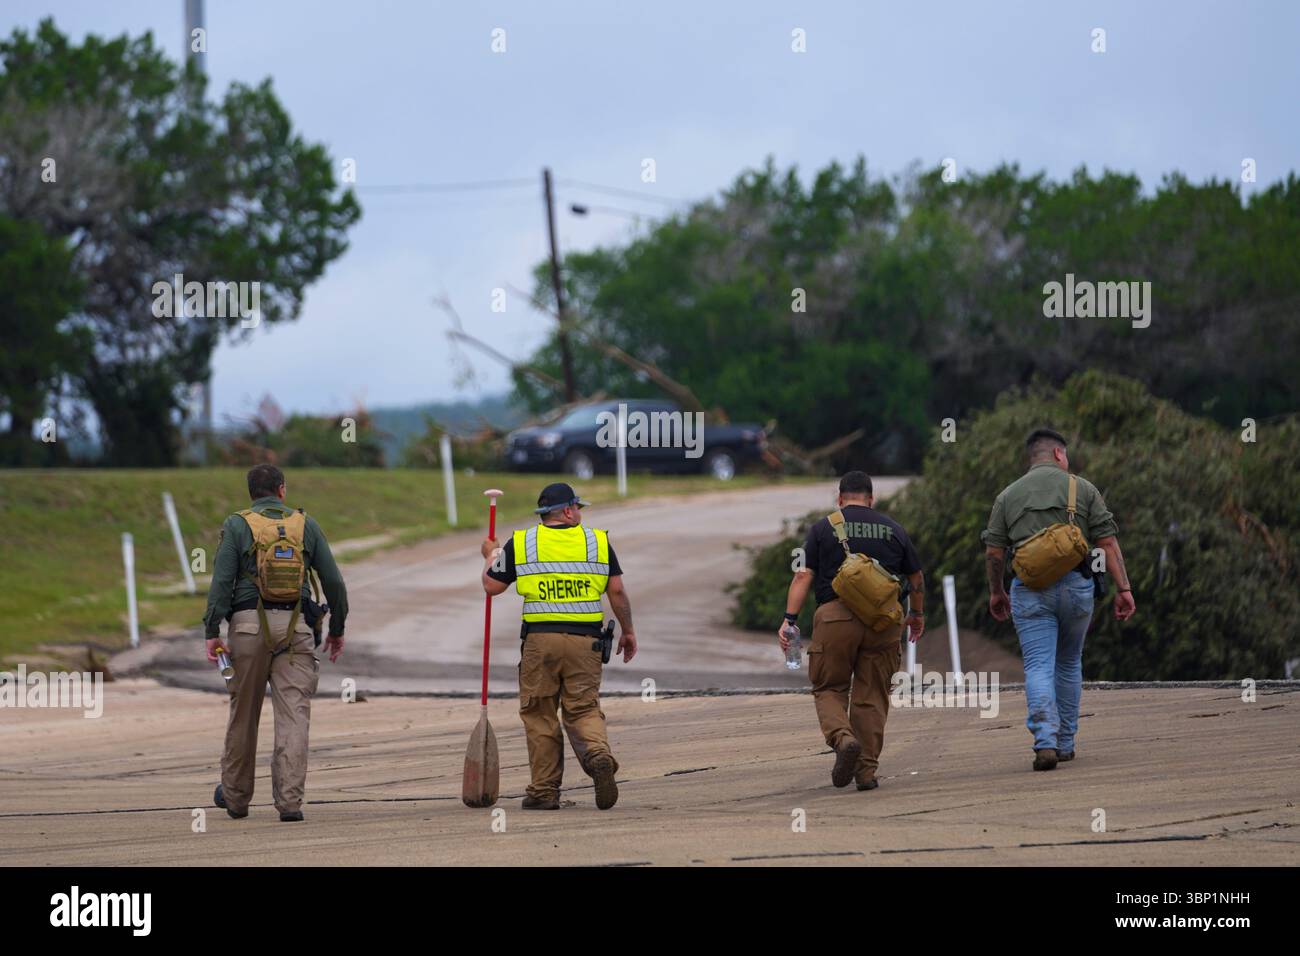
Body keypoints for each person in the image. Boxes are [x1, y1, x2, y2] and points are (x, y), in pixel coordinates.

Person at [982, 428, 1135, 771]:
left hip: (1030, 589)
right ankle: (1066, 743)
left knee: (1038, 665)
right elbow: (1107, 544)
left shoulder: (1008, 496)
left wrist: (997, 591)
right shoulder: (1082, 488)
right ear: (1058, 455)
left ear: (1032, 457)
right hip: (1077, 588)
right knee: (1068, 664)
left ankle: (1044, 741)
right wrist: (1123, 589)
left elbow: (994, 552)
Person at [203, 464, 348, 821]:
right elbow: (334, 583)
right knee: (294, 717)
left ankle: (236, 799)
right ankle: (290, 803)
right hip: (297, 628)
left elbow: (222, 582)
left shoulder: (238, 524)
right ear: (282, 490)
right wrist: (338, 628)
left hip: (249, 627)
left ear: (251, 492)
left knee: (243, 716)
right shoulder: (305, 525)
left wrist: (211, 630)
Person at [481, 482, 636, 811]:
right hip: (587, 642)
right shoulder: (597, 541)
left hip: (541, 642)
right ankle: (597, 755)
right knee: (583, 709)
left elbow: (491, 586)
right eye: (578, 507)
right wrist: (628, 630)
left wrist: (491, 554)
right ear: (567, 510)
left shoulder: (521, 542)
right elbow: (618, 591)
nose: (580, 513)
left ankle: (544, 791)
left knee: (540, 714)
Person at [779, 471, 925, 791]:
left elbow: (803, 576)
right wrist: (916, 614)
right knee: (872, 695)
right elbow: (916, 578)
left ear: (840, 498)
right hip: (883, 623)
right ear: (872, 499)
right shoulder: (894, 529)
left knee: (830, 687)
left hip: (835, 619)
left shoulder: (823, 527)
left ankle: (843, 739)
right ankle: (866, 772)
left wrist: (790, 619)